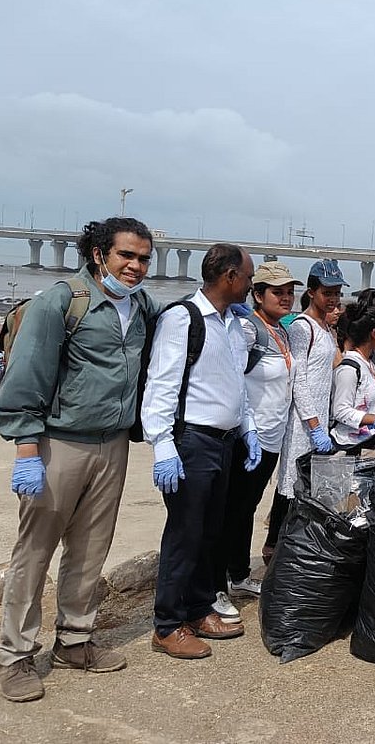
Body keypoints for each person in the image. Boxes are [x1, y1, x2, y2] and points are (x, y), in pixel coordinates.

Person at [0, 217, 156, 702]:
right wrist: (26, 450)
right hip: (58, 444)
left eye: (144, 258)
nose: (136, 266)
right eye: (127, 255)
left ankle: (75, 640)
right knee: (34, 552)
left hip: (114, 444)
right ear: (99, 254)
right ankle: (16, 655)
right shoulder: (61, 302)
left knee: (90, 548)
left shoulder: (141, 307)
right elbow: (27, 375)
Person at [143, 244, 261, 659]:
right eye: (248, 278)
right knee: (185, 533)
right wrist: (162, 445)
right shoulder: (183, 319)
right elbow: (161, 383)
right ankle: (167, 624)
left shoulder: (233, 324)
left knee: (210, 532)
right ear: (229, 276)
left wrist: (247, 429)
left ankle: (197, 609)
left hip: (224, 442)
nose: (251, 285)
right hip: (192, 441)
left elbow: (236, 384)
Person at [212, 260, 301, 610]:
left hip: (272, 439)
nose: (286, 298)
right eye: (277, 292)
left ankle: (238, 574)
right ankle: (216, 586)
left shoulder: (280, 330)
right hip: (248, 438)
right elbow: (229, 374)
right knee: (231, 511)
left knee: (246, 509)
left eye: (289, 292)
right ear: (258, 295)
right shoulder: (249, 329)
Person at [275, 259, 346, 553]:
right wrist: (314, 425)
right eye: (327, 293)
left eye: (336, 293)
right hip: (301, 422)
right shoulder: (302, 327)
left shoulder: (324, 326)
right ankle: (274, 546)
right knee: (290, 485)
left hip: (319, 420)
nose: (332, 299)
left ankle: (293, 547)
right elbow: (299, 380)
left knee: (307, 487)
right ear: (312, 292)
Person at [330, 302, 375, 452]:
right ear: (374, 333)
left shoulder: (368, 364)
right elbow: (340, 411)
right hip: (350, 445)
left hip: (369, 441)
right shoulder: (349, 369)